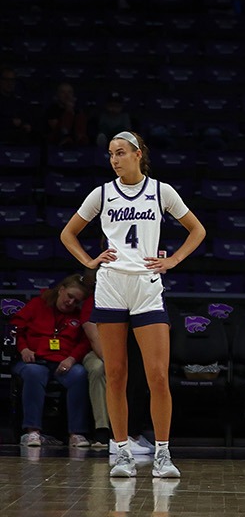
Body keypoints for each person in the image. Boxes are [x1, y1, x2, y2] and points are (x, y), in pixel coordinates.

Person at [59, 131, 207, 480]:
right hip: (111, 287)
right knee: (115, 374)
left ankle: (162, 454)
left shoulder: (161, 191)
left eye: (121, 152)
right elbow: (68, 233)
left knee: (157, 375)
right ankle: (122, 451)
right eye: (110, 153)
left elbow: (197, 230)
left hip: (146, 286)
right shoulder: (103, 193)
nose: (114, 159)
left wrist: (173, 261)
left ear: (138, 154)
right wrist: (90, 260)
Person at [10, 274, 94, 449]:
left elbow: (85, 342)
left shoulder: (79, 316)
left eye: (76, 301)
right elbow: (16, 328)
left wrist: (72, 359)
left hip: (63, 361)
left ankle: (76, 433)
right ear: (61, 290)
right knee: (34, 373)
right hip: (34, 360)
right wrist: (23, 348)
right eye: (69, 296)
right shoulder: (37, 305)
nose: (71, 302)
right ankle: (32, 431)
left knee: (79, 374)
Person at [45, 82, 89, 148]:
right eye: (63, 92)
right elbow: (54, 128)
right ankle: (66, 138)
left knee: (80, 116)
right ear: (58, 95)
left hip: (75, 137)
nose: (67, 95)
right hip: (57, 138)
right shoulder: (52, 109)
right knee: (68, 115)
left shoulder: (78, 110)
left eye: (69, 92)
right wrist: (68, 111)